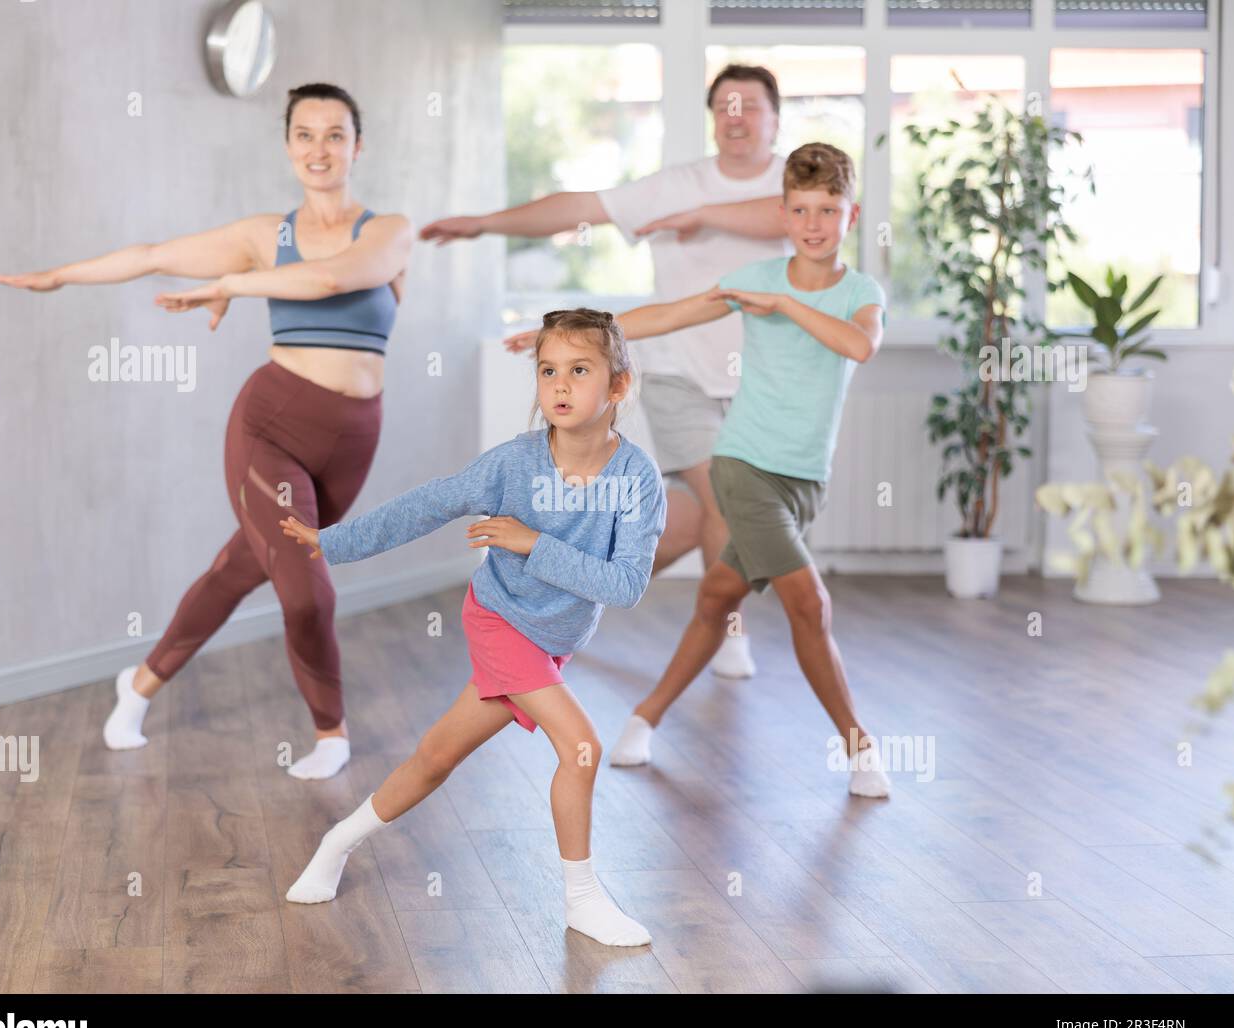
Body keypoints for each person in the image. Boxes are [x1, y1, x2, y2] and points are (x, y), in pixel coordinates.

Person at [0, 83, 412, 780]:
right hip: (272, 425)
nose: (319, 148)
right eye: (304, 134)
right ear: (287, 147)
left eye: (334, 134)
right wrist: (61, 277)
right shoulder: (261, 236)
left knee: (237, 569)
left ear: (357, 146)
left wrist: (232, 286)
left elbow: (333, 280)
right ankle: (331, 733)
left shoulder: (389, 231)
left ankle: (138, 685)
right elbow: (154, 253)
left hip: (354, 437)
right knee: (308, 590)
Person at [280, 308, 666, 947]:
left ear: (618, 386)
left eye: (579, 370)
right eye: (548, 371)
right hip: (499, 619)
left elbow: (625, 586)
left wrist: (530, 541)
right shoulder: (513, 463)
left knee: (436, 757)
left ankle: (336, 842)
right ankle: (582, 899)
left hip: (552, 639)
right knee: (581, 747)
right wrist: (336, 542)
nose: (561, 386)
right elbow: (431, 502)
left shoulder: (636, 479)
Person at [422, 64, 797, 680]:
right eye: (725, 106)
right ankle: (729, 632)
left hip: (764, 386)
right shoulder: (675, 183)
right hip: (683, 377)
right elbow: (578, 208)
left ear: (775, 118)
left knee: (693, 522)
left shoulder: (793, 184)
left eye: (751, 106)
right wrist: (488, 223)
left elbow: (797, 215)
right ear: (711, 118)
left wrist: (702, 216)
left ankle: (559, 594)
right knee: (724, 503)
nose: (737, 117)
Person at [591, 143, 893, 796]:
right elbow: (672, 314)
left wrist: (785, 306)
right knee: (810, 605)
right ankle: (860, 749)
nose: (814, 224)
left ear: (852, 214)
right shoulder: (758, 277)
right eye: (801, 210)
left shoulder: (861, 293)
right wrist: (585, 331)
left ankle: (643, 718)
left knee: (715, 600)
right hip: (744, 465)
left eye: (829, 210)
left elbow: (860, 345)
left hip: (803, 480)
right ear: (783, 214)